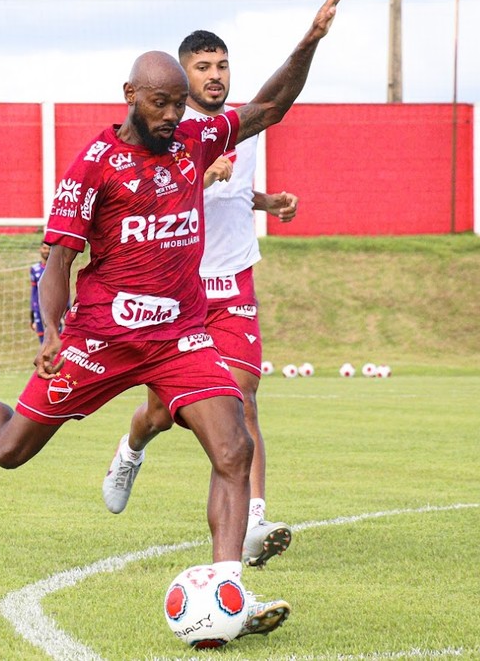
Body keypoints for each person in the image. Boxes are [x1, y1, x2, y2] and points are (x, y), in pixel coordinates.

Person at [0, 0, 346, 640]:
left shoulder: (195, 137)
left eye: (178, 102)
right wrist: (52, 331)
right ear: (131, 95)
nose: (172, 114)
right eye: (160, 102)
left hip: (180, 336)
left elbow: (272, 105)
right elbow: (57, 259)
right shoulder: (94, 166)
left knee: (234, 445)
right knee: (8, 449)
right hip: (100, 338)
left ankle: (227, 593)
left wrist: (310, 40)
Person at [101, 30, 300, 571]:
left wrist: (266, 201)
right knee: (164, 413)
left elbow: (236, 190)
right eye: (202, 66)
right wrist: (200, 177)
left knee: (242, 398)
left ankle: (254, 520)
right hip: (177, 290)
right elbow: (142, 196)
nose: (215, 75)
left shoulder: (245, 126)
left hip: (233, 280)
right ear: (179, 77)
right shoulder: (165, 132)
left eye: (222, 65)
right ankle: (132, 448)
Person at [29, 242, 51, 343]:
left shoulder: (57, 268)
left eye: (49, 249)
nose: (46, 251)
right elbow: (34, 292)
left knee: (55, 341)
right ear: (40, 249)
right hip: (39, 311)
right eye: (44, 248)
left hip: (53, 310)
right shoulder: (34, 269)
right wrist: (32, 316)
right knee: (43, 343)